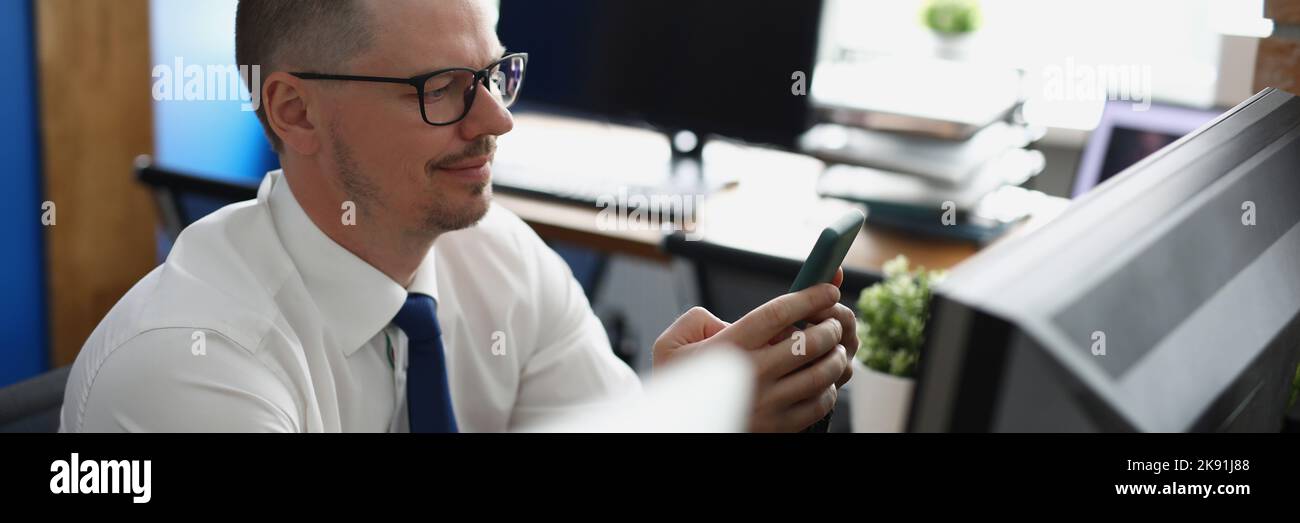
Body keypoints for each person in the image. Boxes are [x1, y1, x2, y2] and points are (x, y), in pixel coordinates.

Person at [59, 0, 857, 433]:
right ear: (294, 111)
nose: (497, 121)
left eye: (493, 73)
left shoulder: (502, 261)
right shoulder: (188, 370)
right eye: (442, 87)